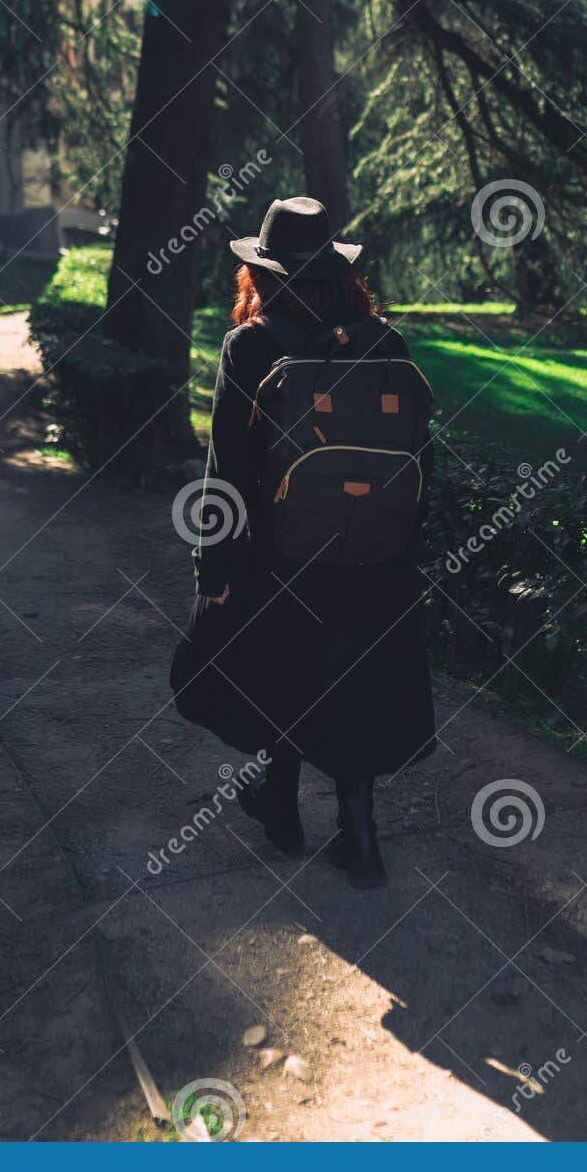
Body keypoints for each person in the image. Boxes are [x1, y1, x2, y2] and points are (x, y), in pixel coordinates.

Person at [170, 196, 436, 888]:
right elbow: (420, 457)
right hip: (375, 552)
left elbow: (226, 471)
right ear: (340, 273)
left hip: (281, 552)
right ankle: (358, 836)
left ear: (261, 273)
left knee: (277, 668)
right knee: (354, 682)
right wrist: (404, 548)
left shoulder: (252, 346)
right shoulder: (385, 343)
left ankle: (283, 808)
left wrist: (215, 570)